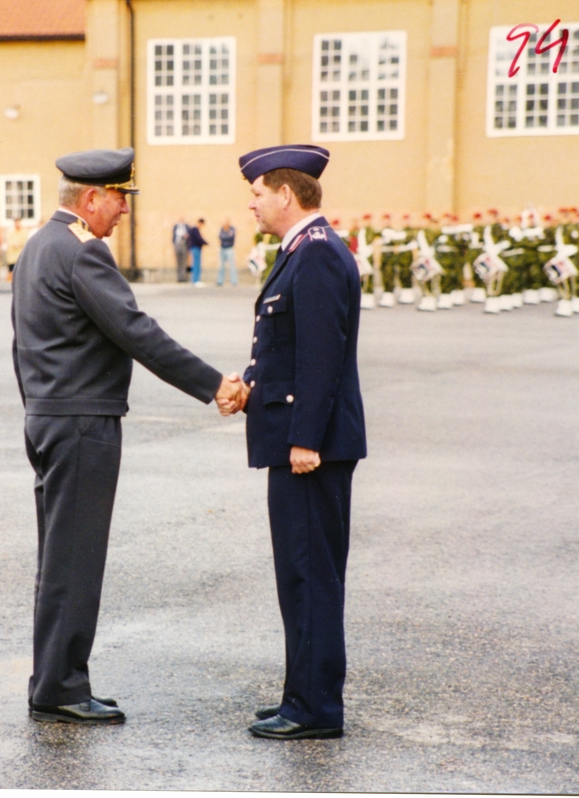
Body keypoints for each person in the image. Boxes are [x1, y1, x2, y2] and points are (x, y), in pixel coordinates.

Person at [11, 147, 247, 725]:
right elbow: (137, 332)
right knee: (76, 561)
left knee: (58, 559)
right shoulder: (82, 254)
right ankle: (61, 688)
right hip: (82, 423)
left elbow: (22, 342)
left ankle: (53, 681)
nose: (123, 211)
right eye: (119, 199)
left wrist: (38, 407)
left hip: (47, 417)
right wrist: (214, 384)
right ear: (91, 199)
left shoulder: (38, 246)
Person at [238, 144, 366, 740]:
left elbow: (322, 354)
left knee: (309, 575)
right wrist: (250, 383)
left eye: (259, 193)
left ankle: (314, 711)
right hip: (297, 440)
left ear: (286, 194)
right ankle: (301, 697)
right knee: (300, 574)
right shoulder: (303, 252)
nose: (252, 203)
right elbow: (288, 350)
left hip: (308, 448)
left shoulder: (313, 255)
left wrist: (305, 439)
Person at [217, 216, 238, 287]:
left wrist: (224, 237)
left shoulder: (232, 229)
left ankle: (234, 281)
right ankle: (220, 281)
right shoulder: (221, 229)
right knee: (221, 266)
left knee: (232, 266)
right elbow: (220, 237)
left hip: (230, 249)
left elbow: (229, 237)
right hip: (222, 249)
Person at [4, 216, 27, 280]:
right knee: (11, 266)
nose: (17, 224)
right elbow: (9, 240)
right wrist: (14, 244)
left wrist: (20, 244)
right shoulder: (11, 231)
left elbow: (25, 240)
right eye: (16, 222)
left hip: (20, 251)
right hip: (12, 252)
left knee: (20, 266)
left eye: (18, 222)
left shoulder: (23, 231)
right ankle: (10, 277)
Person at [187, 218, 208, 287]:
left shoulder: (193, 229)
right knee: (196, 264)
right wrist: (205, 243)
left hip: (195, 248)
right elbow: (198, 239)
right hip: (195, 248)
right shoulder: (195, 229)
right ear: (200, 223)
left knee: (196, 263)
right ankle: (196, 280)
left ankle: (195, 280)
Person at [172, 217, 190, 283]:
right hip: (177, 244)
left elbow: (189, 234)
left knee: (184, 261)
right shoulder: (176, 226)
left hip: (184, 244)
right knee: (178, 261)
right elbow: (173, 236)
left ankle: (183, 277)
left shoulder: (186, 226)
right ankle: (179, 277)